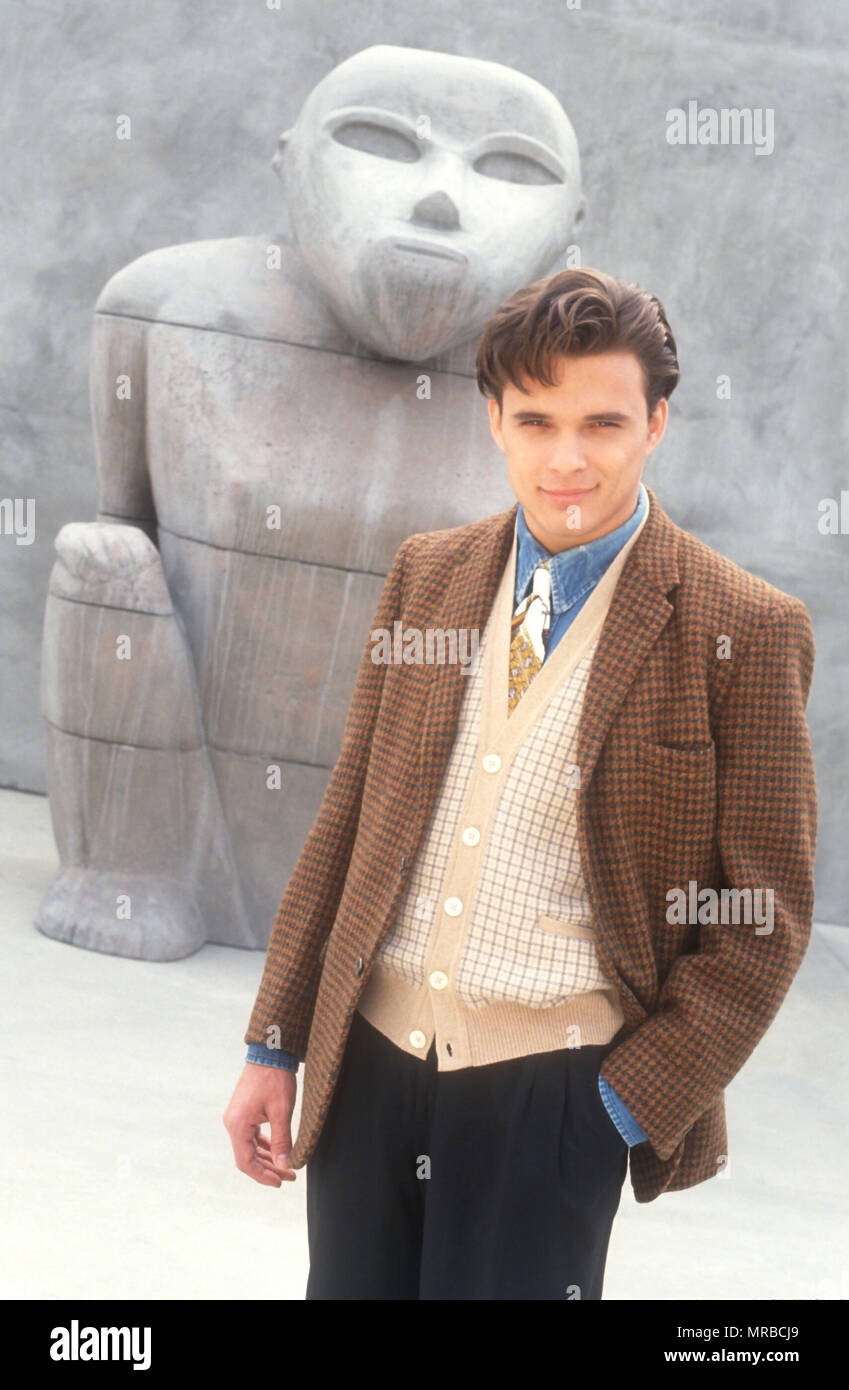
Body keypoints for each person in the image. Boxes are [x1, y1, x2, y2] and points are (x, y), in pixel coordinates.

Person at [223, 267, 818, 1300]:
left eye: (603, 422)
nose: (568, 458)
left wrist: (619, 1107)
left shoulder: (747, 629)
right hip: (367, 1071)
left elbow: (762, 918)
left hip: (554, 1102)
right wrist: (274, 1043)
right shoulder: (429, 574)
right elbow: (348, 820)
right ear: (494, 418)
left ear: (658, 422)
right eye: (536, 420)